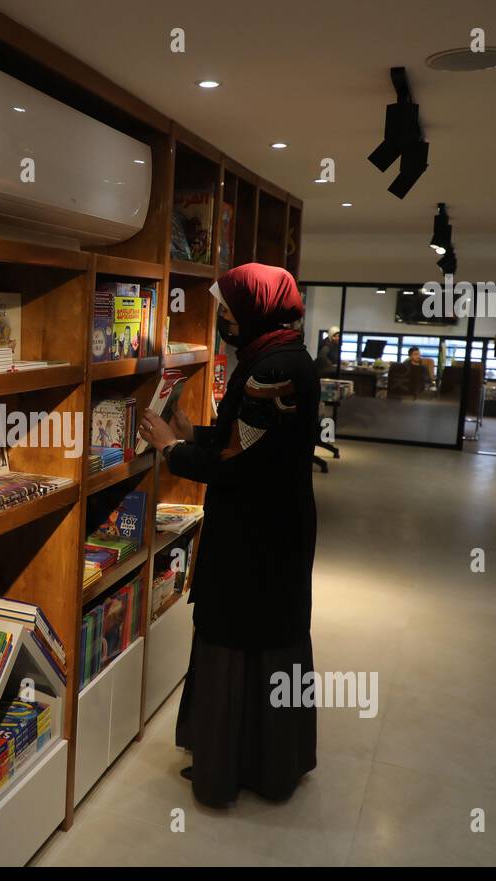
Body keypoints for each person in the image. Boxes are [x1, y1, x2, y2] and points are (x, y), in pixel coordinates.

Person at [138, 263, 318, 807]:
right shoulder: (281, 354)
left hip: (255, 533)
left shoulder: (272, 368)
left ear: (256, 309)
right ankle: (267, 763)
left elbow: (239, 466)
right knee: (269, 640)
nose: (222, 319)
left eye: (229, 309)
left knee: (236, 636)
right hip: (277, 527)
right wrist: (201, 433)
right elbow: (252, 439)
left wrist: (172, 447)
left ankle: (231, 767)